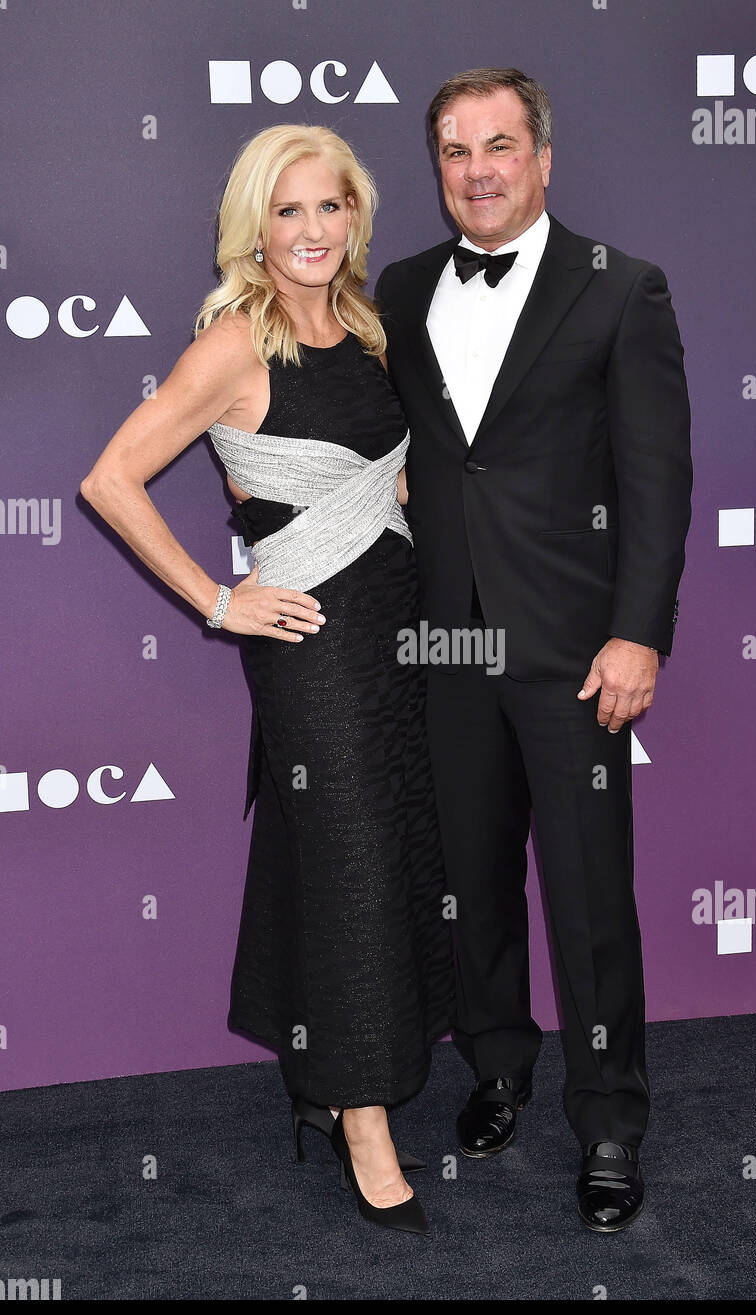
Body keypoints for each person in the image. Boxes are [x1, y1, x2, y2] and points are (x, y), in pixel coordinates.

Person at [80, 123, 454, 1236]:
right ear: (255, 224)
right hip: (312, 641)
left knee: (388, 856)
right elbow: (111, 478)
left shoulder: (369, 327)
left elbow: (384, 473)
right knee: (348, 866)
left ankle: (339, 1073)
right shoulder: (235, 343)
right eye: (286, 211)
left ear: (356, 218)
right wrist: (214, 597)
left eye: (328, 208)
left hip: (399, 624)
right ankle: (360, 1112)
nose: (310, 231)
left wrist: (390, 503)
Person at [374, 69, 692, 1232]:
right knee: (469, 880)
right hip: (445, 636)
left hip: (574, 649)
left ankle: (608, 1120)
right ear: (438, 170)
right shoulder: (401, 290)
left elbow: (657, 483)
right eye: (455, 152)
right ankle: (497, 1063)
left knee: (589, 893)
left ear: (542, 157)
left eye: (499, 144)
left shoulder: (620, 290)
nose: (478, 170)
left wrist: (637, 633)